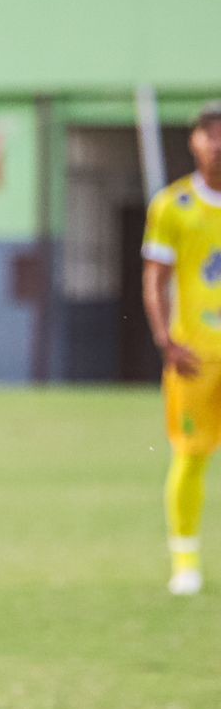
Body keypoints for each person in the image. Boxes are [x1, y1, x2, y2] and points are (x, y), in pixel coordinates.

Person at [143, 100, 221, 596]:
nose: (218, 143)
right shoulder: (173, 205)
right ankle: (185, 562)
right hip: (197, 358)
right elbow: (156, 278)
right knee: (190, 457)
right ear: (193, 141)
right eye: (209, 134)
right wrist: (163, 337)